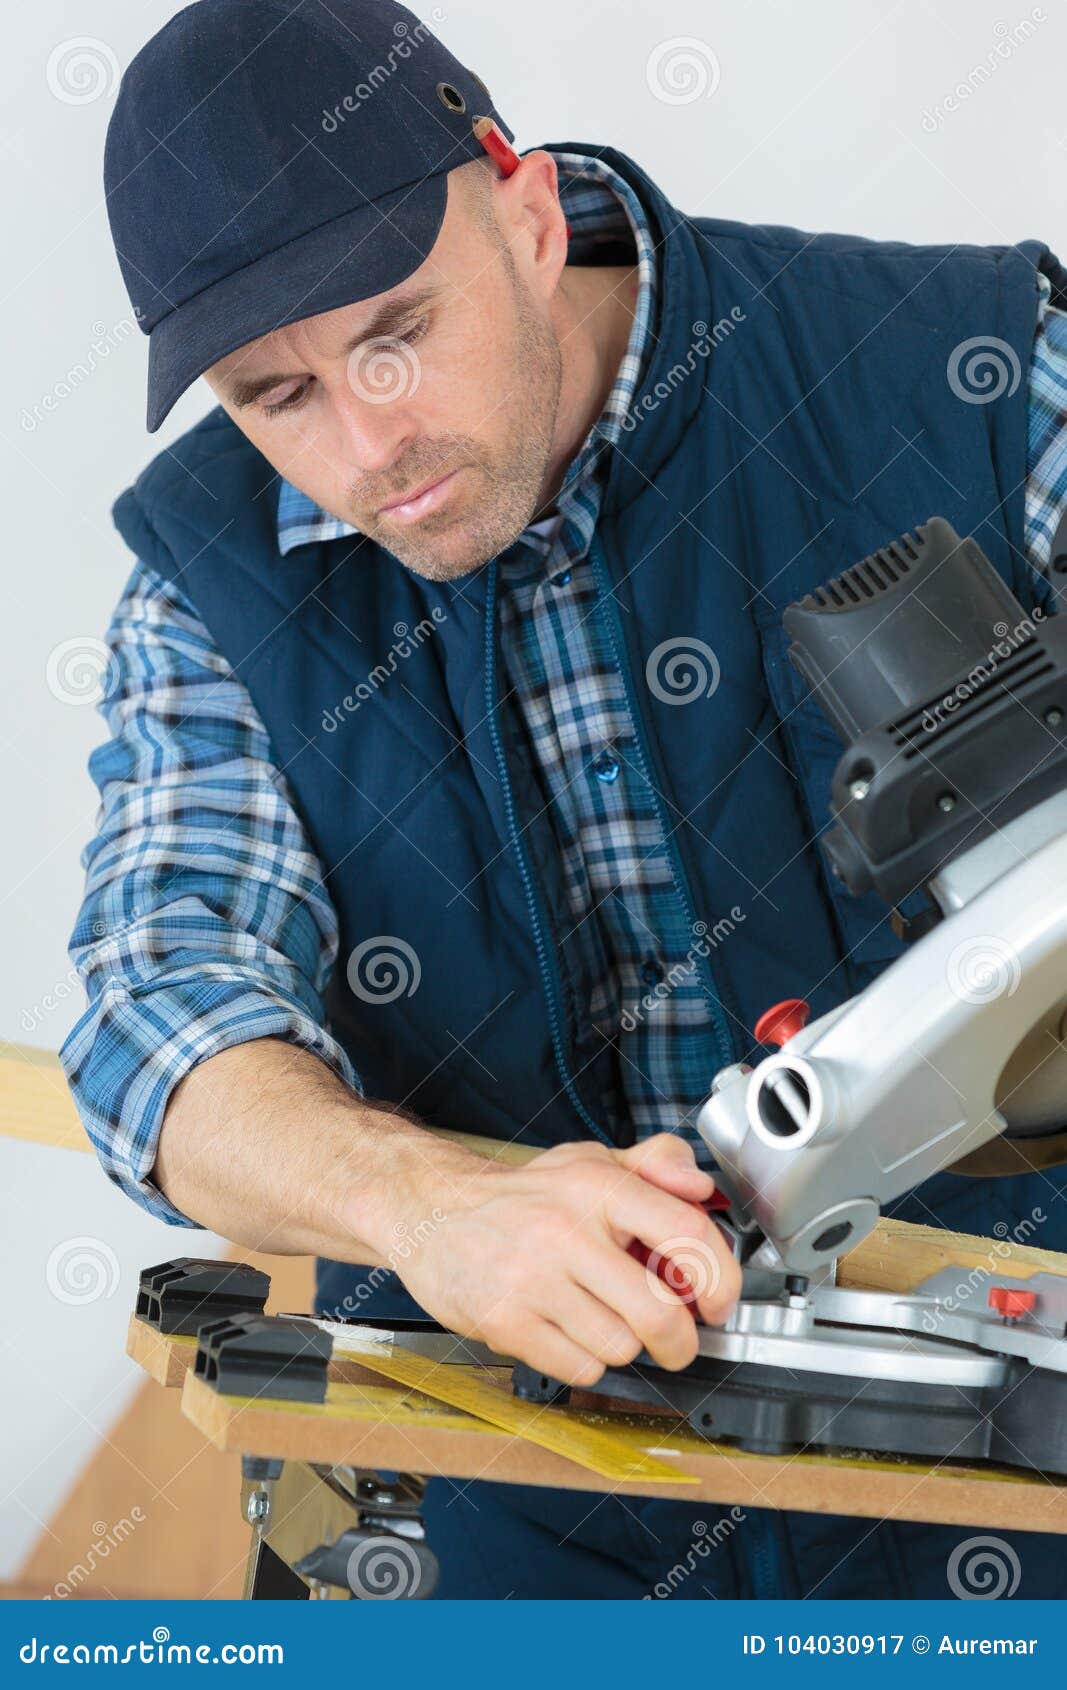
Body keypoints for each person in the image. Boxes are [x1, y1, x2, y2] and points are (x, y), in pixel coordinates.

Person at [65, 0, 1067, 1597]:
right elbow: (157, 1018)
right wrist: (427, 1205)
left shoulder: (973, 369)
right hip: (508, 1497)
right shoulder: (209, 589)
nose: (373, 444)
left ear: (529, 215)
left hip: (999, 1460)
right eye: (278, 395)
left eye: (398, 330)